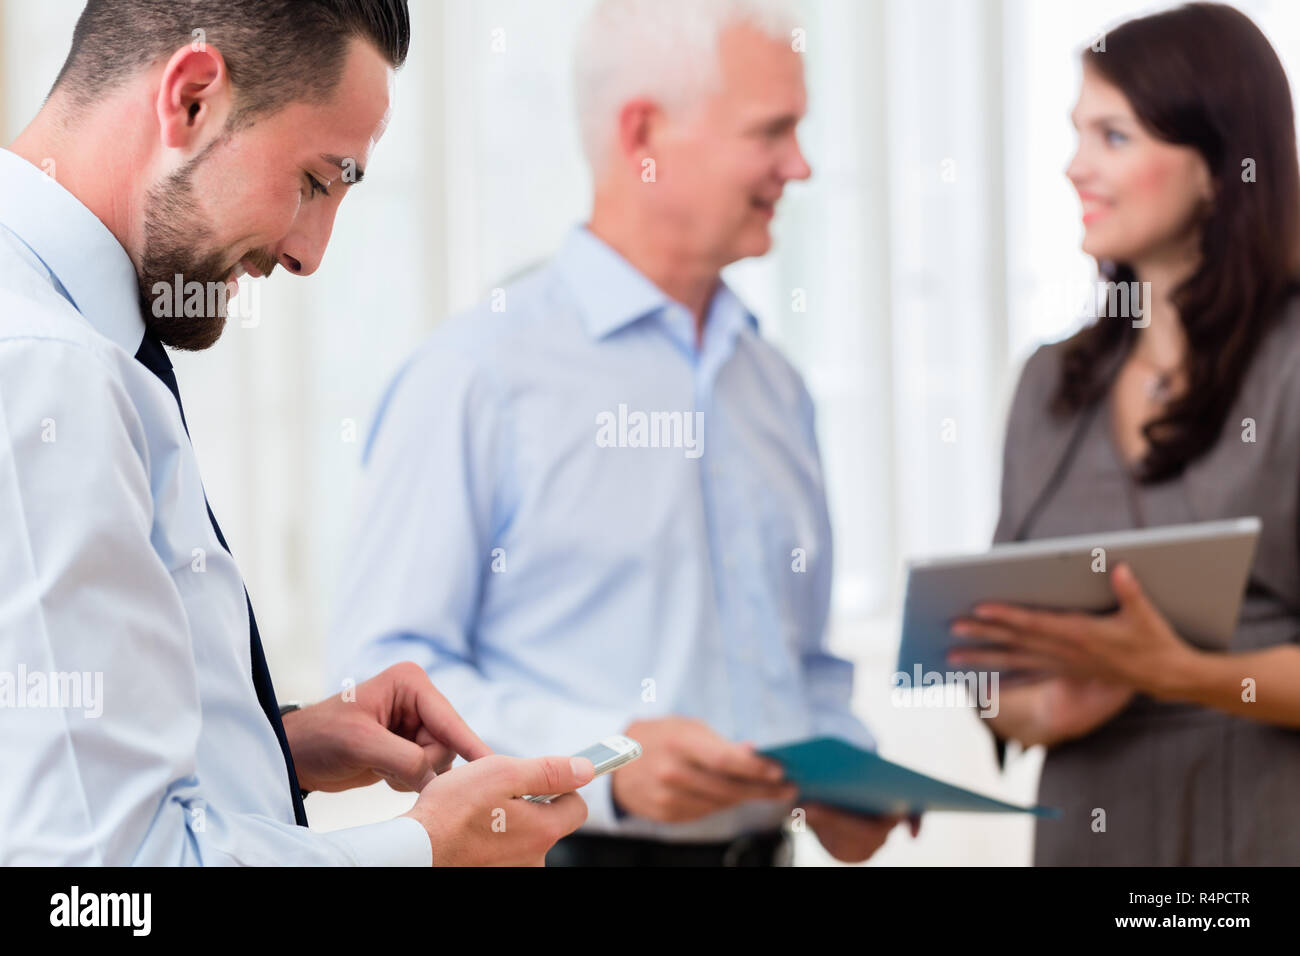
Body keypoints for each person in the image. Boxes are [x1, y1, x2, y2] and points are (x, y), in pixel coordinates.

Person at [0, 0, 593, 866]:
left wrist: (272, 746)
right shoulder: (49, 367)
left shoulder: (63, 336)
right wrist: (427, 849)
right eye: (317, 180)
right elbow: (106, 885)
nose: (311, 254)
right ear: (192, 99)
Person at [329, 0, 915, 867]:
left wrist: (845, 766)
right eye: (773, 130)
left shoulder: (776, 388)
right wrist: (608, 762)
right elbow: (387, 672)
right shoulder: (480, 375)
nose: (801, 165)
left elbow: (808, 663)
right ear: (642, 134)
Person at [949, 2, 1300, 865]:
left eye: (1113, 136)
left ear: (1220, 167)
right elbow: (990, 653)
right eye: (1076, 134)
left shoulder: (1290, 367)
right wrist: (1034, 708)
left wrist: (1182, 674)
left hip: (1256, 828)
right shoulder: (1050, 383)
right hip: (1090, 828)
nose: (1074, 167)